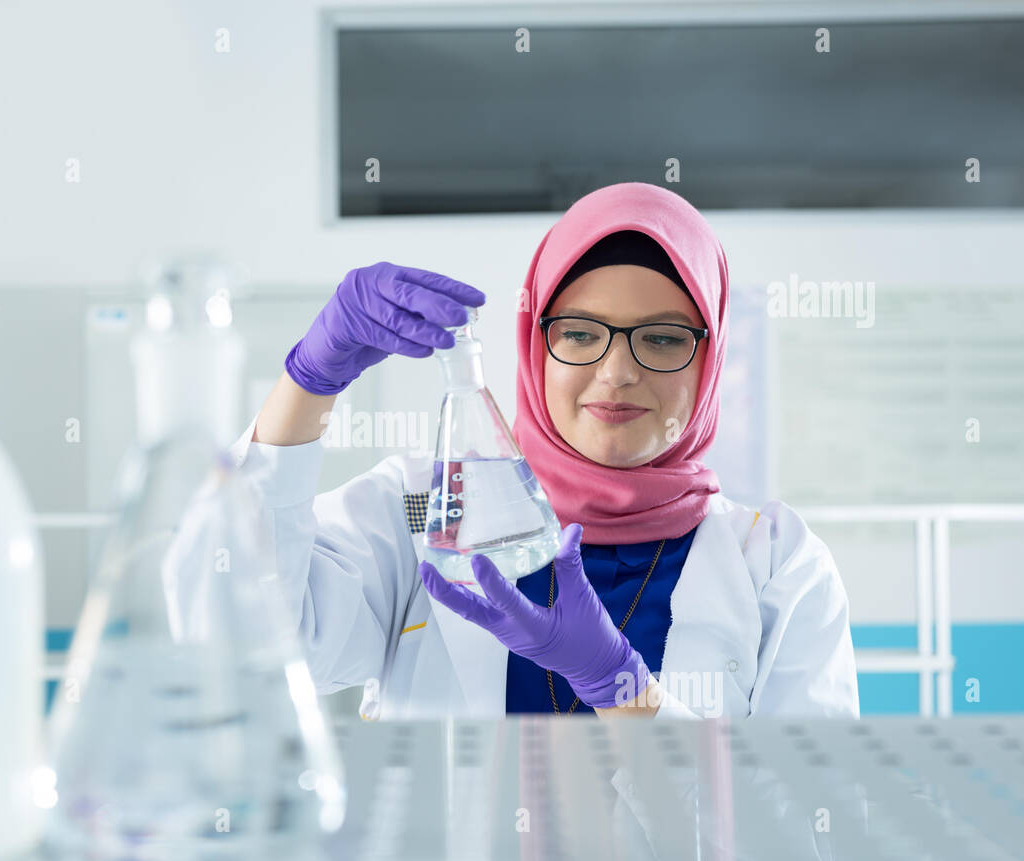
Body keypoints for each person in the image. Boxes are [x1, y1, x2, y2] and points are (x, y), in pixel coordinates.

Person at [231, 182, 860, 725]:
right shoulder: (428, 507)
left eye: (664, 339)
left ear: (713, 356)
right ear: (536, 346)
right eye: (581, 334)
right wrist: (308, 382)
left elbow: (802, 826)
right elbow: (249, 640)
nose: (616, 372)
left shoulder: (776, 565)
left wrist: (622, 688)